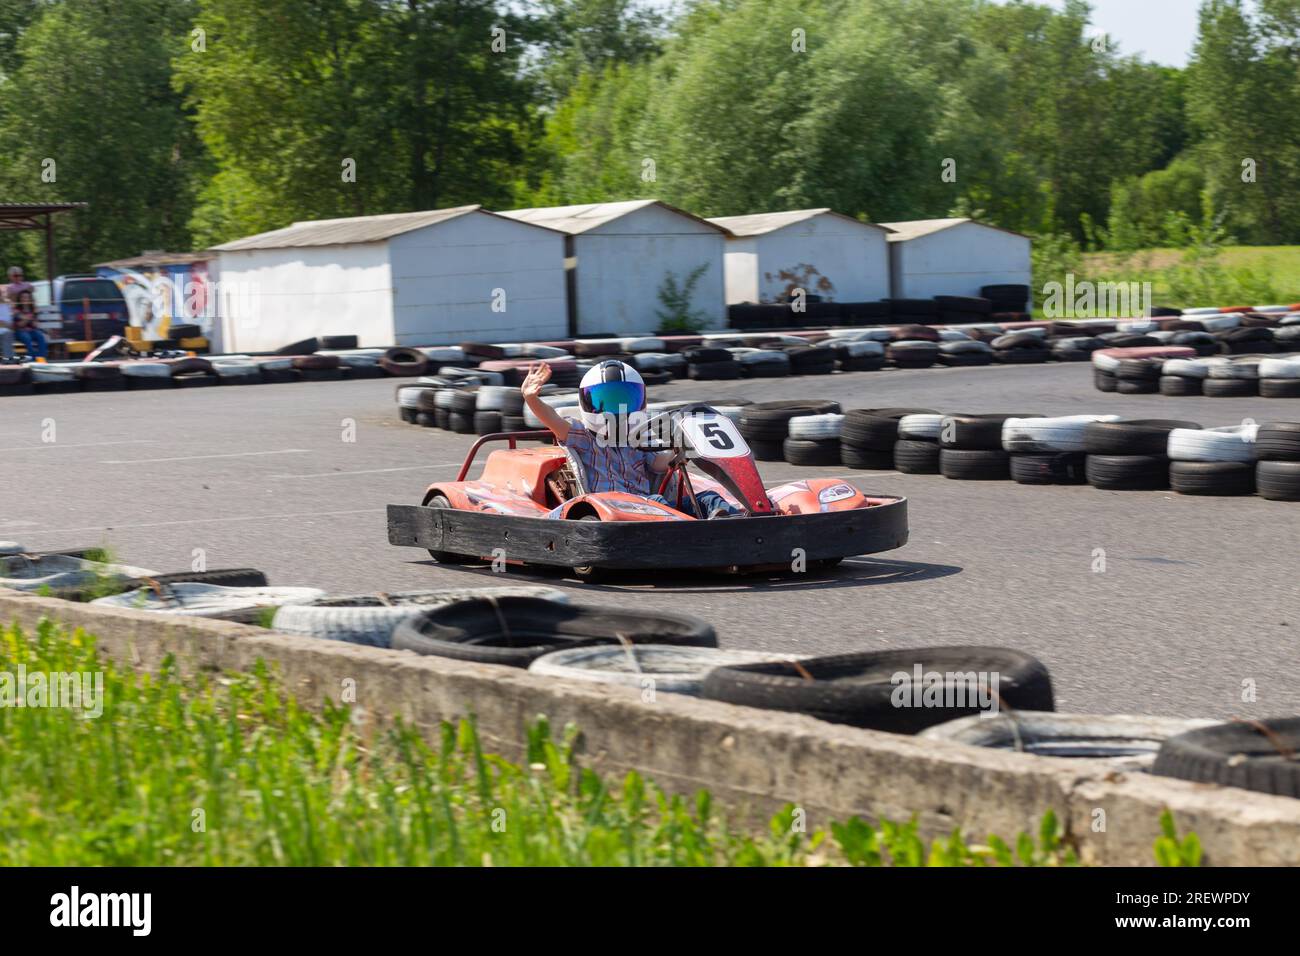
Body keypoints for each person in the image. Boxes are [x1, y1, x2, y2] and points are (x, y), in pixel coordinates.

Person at [520, 359, 741, 518]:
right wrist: (531, 399)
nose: (617, 410)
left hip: (649, 508)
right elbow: (552, 419)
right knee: (657, 503)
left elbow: (658, 463)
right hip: (613, 509)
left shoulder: (638, 438)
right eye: (608, 402)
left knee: (708, 498)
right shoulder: (583, 437)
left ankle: (733, 527)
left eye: (625, 400)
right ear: (587, 403)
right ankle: (691, 536)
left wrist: (686, 447)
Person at [12, 289, 47, 359]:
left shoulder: (33, 309)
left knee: (40, 336)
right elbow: (19, 325)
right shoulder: (16, 310)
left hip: (32, 331)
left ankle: (41, 357)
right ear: (19, 299)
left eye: (27, 297)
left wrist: (26, 318)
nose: (25, 299)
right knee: (26, 337)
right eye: (23, 297)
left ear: (30, 299)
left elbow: (35, 325)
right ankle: (32, 358)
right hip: (20, 332)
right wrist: (29, 318)